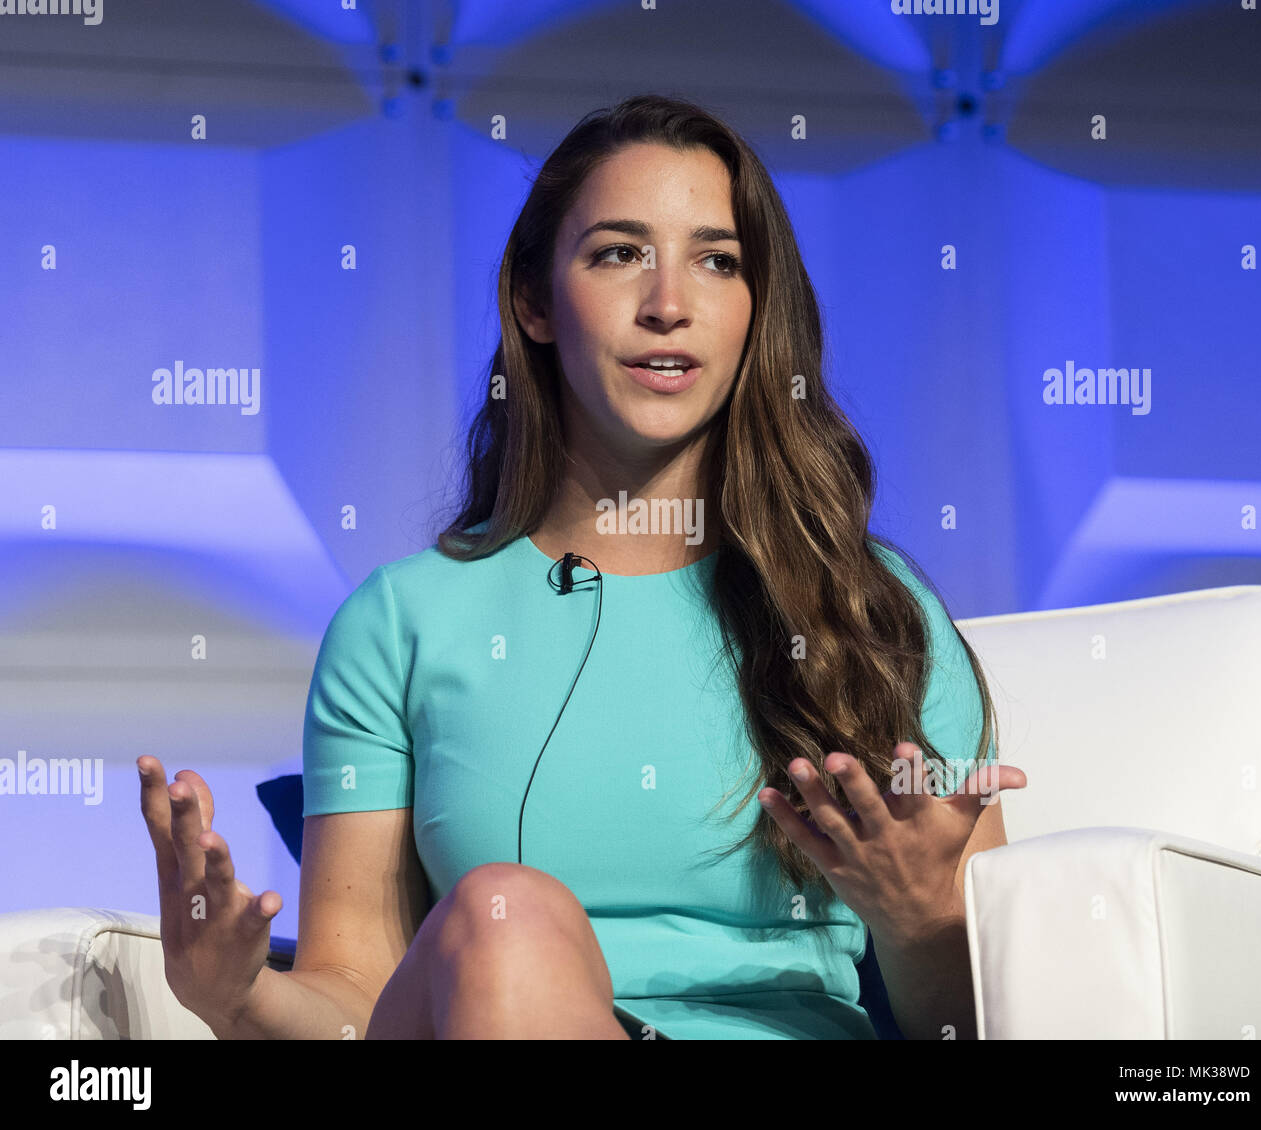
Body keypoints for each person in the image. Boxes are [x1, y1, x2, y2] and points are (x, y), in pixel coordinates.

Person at [139, 93, 1025, 1041]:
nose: (669, 305)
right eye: (618, 253)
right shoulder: (401, 623)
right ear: (533, 301)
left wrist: (921, 921)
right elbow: (359, 1005)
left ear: (754, 311)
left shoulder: (866, 609)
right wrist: (235, 995)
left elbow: (986, 1028)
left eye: (717, 261)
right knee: (504, 918)